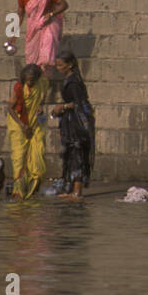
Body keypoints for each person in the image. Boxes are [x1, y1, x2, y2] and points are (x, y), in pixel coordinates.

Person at [53, 51, 94, 198]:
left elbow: (79, 103)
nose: (58, 68)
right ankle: (71, 189)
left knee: (78, 154)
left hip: (77, 125)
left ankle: (77, 191)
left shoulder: (74, 82)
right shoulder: (69, 79)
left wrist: (62, 107)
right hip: (70, 123)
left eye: (61, 65)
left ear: (70, 65)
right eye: (57, 65)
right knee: (70, 154)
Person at [5, 63, 48, 200]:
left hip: (35, 123)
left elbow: (43, 95)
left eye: (32, 80)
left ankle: (33, 184)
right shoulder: (19, 88)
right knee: (19, 157)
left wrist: (41, 105)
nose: (30, 82)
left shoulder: (42, 83)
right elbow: (10, 108)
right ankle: (18, 191)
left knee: (38, 152)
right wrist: (22, 125)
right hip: (18, 124)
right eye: (28, 80)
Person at [16, 0, 67, 67]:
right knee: (31, 58)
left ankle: (45, 77)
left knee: (46, 57)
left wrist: (51, 14)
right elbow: (20, 13)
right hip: (33, 28)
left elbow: (64, 5)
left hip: (49, 24)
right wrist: (13, 34)